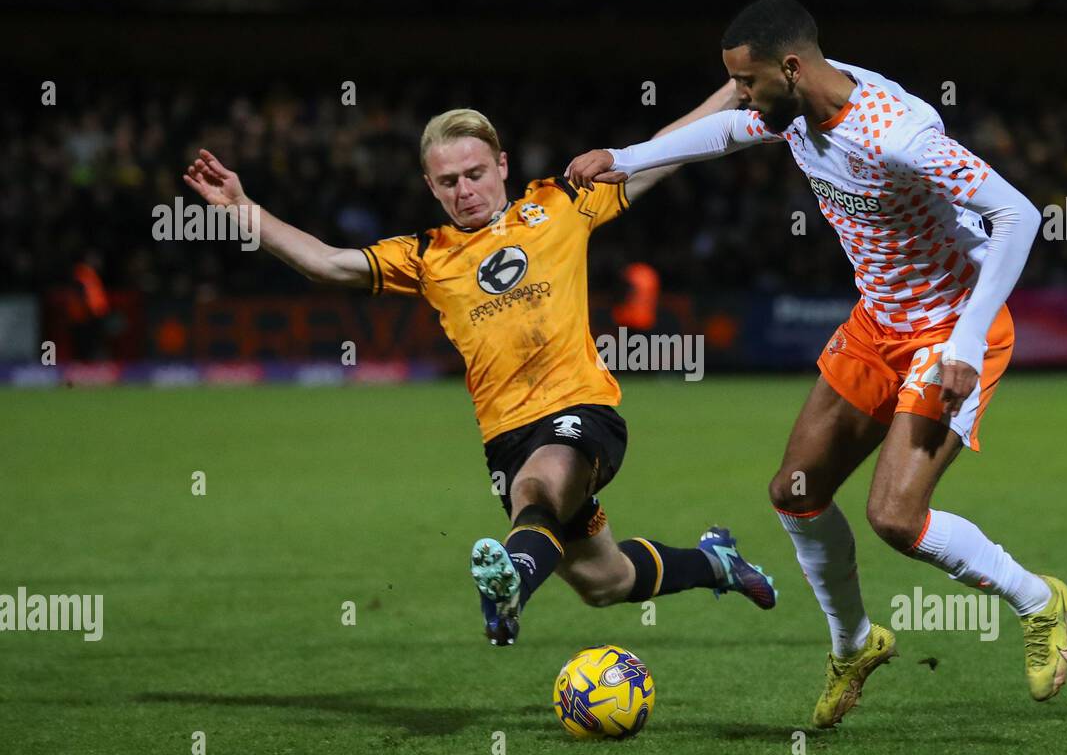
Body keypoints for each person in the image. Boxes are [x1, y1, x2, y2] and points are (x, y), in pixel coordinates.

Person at [566, 0, 1067, 726]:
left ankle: (1037, 599)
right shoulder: (794, 106)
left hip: (951, 332)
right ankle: (855, 645)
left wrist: (964, 340)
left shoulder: (897, 135)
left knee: (895, 518)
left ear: (792, 67)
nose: (741, 96)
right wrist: (627, 158)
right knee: (795, 492)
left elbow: (1019, 213)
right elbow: (728, 132)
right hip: (878, 325)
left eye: (747, 81)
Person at [182, 86, 776, 649]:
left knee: (541, 488)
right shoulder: (426, 255)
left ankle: (510, 589)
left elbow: (658, 156)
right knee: (605, 582)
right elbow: (327, 263)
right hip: (506, 439)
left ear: (502, 167)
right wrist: (242, 208)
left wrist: (729, 95)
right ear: (430, 187)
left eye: (474, 174)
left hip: (581, 411)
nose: (464, 190)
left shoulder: (561, 202)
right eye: (448, 181)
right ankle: (715, 562)